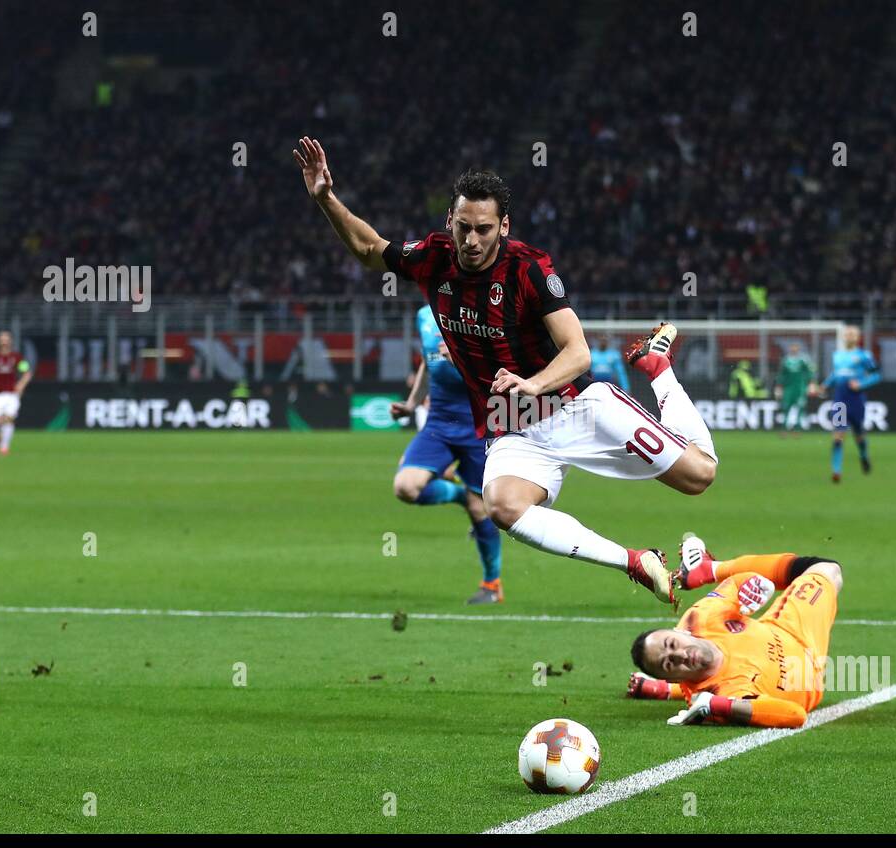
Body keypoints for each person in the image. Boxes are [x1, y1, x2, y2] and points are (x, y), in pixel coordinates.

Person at [294, 137, 717, 605]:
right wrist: (326, 199)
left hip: (578, 408)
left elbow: (578, 352)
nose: (471, 241)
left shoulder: (529, 269)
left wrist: (531, 383)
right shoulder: (433, 258)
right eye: (463, 227)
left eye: (483, 229)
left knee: (698, 476)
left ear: (504, 226)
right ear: (449, 222)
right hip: (510, 425)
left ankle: (658, 368)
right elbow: (369, 248)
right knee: (501, 505)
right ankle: (635, 562)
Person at [627, 535, 842, 727]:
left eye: (672, 644)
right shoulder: (717, 695)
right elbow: (795, 715)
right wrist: (717, 706)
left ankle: (707, 569)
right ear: (673, 678)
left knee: (828, 570)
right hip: (808, 680)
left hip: (789, 628)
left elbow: (735, 583)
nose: (681, 654)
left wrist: (752, 583)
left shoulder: (699, 618)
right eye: (669, 664)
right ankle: (664, 690)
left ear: (680, 632)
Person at [390, 305, 504, 604]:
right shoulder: (423, 316)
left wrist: (461, 361)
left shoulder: (479, 311)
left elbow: (501, 370)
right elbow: (429, 363)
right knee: (405, 486)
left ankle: (491, 586)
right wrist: (413, 403)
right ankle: (459, 495)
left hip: (477, 423)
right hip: (438, 422)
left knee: (483, 510)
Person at [815, 325, 879, 482]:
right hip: (840, 399)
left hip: (856, 399)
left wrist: (861, 384)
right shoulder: (837, 355)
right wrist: (824, 385)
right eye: (847, 334)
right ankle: (836, 471)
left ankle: (864, 456)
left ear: (857, 338)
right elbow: (836, 375)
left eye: (853, 334)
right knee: (838, 436)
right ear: (843, 337)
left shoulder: (864, 356)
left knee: (859, 435)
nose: (849, 336)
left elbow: (876, 375)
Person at [0, 330, 31, 456]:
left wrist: (21, 385)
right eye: (2, 339)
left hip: (12, 394)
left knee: (9, 419)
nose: (4, 341)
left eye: (6, 339)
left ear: (10, 341)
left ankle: (4, 447)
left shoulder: (17, 357)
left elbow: (27, 373)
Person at [776, 342, 816, 434]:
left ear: (798, 348)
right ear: (790, 348)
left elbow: (809, 373)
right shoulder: (785, 360)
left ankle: (797, 429)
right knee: (786, 408)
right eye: (792, 347)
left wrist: (811, 384)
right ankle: (784, 429)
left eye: (795, 347)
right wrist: (779, 387)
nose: (794, 348)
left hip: (800, 388)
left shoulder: (803, 360)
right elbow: (781, 375)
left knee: (800, 408)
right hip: (788, 389)